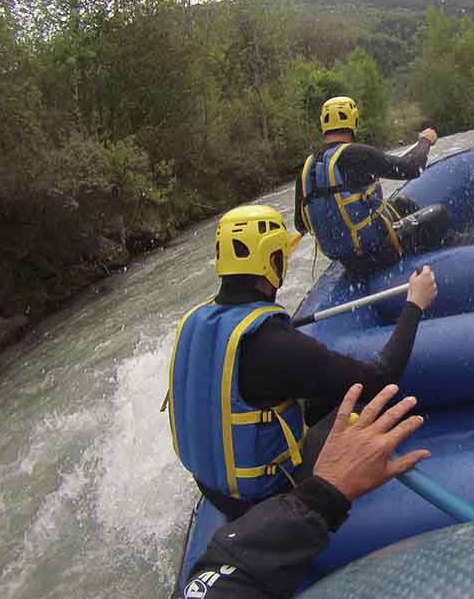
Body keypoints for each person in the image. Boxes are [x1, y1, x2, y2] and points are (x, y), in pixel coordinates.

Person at [164, 204, 437, 521]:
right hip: (265, 503)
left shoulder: (194, 322)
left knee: (318, 391)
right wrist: (415, 304)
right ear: (272, 261)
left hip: (214, 489)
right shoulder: (276, 345)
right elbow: (380, 377)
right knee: (359, 410)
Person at [173, 382, 430, 599]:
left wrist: (322, 495)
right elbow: (377, 375)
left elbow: (233, 575)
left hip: (228, 493)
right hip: (267, 493)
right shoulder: (273, 344)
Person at [295, 96, 450, 275]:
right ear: (354, 121)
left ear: (323, 125)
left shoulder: (307, 168)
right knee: (439, 214)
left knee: (402, 204)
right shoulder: (355, 153)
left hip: (349, 261)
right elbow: (413, 168)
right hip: (377, 253)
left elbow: (301, 224)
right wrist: (425, 141)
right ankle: (444, 259)